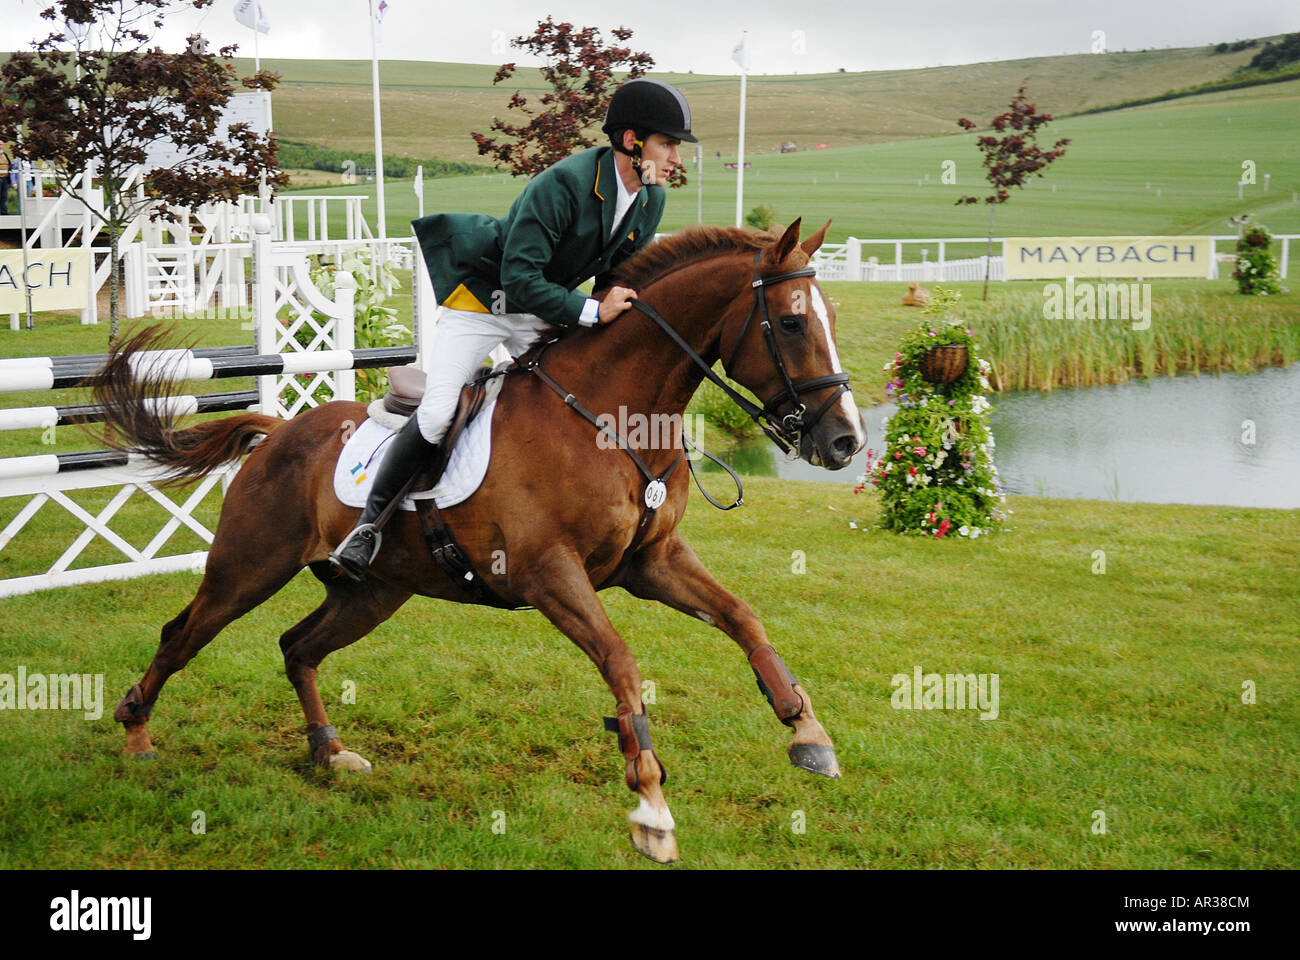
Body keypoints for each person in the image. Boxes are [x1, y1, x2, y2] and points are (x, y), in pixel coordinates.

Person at [329, 77, 697, 580]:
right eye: (669, 144)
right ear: (632, 142)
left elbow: (616, 281)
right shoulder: (563, 183)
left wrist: (608, 323)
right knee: (438, 414)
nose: (678, 158)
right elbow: (518, 280)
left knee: (570, 403)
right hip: (485, 301)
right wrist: (590, 313)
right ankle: (367, 528)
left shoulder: (650, 199)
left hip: (546, 307)